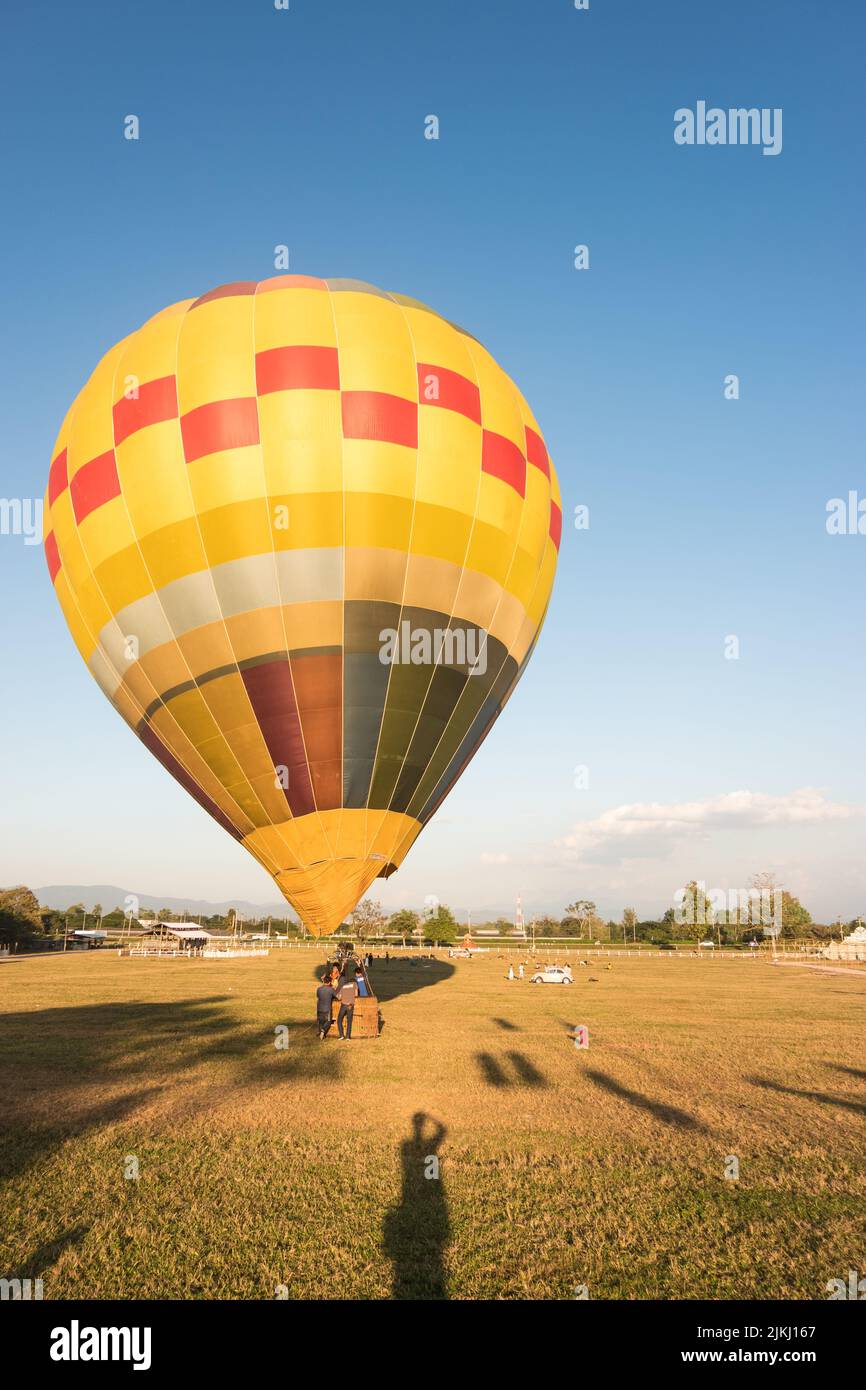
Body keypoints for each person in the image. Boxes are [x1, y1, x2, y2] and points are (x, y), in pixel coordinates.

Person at [316, 974, 337, 1040]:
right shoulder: (331, 989)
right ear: (330, 982)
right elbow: (338, 997)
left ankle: (321, 1033)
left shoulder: (319, 989)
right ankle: (323, 1031)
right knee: (328, 1021)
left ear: (324, 981)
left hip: (319, 1008)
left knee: (321, 1021)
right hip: (327, 1009)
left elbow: (318, 996)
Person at [337, 974, 357, 1039]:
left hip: (343, 1004)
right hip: (350, 1005)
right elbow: (356, 994)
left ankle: (341, 1035)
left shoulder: (343, 986)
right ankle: (348, 1036)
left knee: (339, 1020)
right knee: (349, 1020)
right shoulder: (354, 984)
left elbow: (339, 997)